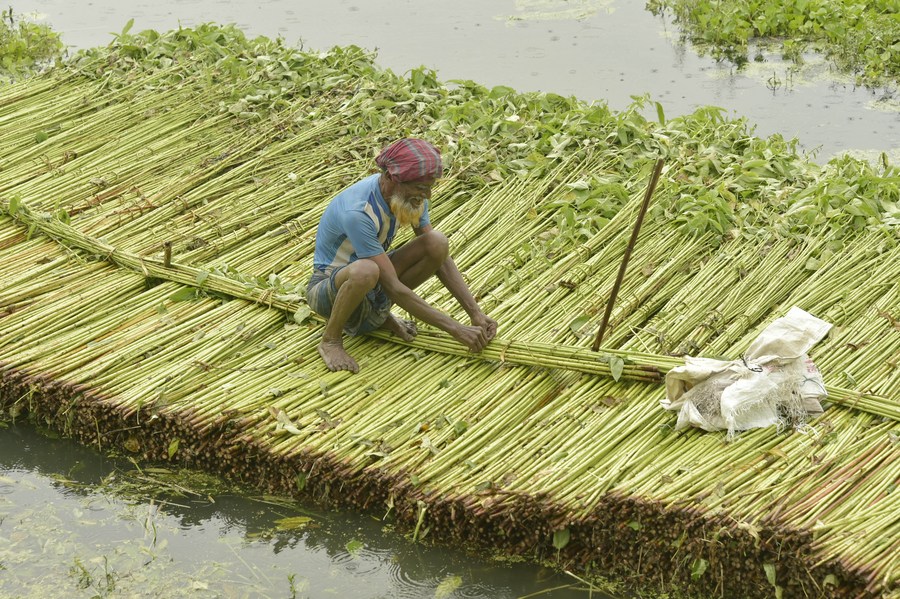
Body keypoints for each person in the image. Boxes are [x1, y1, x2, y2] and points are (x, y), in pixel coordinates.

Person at [306, 138, 498, 373]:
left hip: (372, 283)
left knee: (437, 242)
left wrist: (475, 313)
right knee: (366, 270)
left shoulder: (411, 197)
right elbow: (393, 286)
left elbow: (438, 257)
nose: (426, 195)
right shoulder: (358, 212)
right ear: (389, 178)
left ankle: (377, 317)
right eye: (419, 187)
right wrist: (455, 329)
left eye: (430, 186)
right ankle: (331, 340)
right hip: (329, 289)